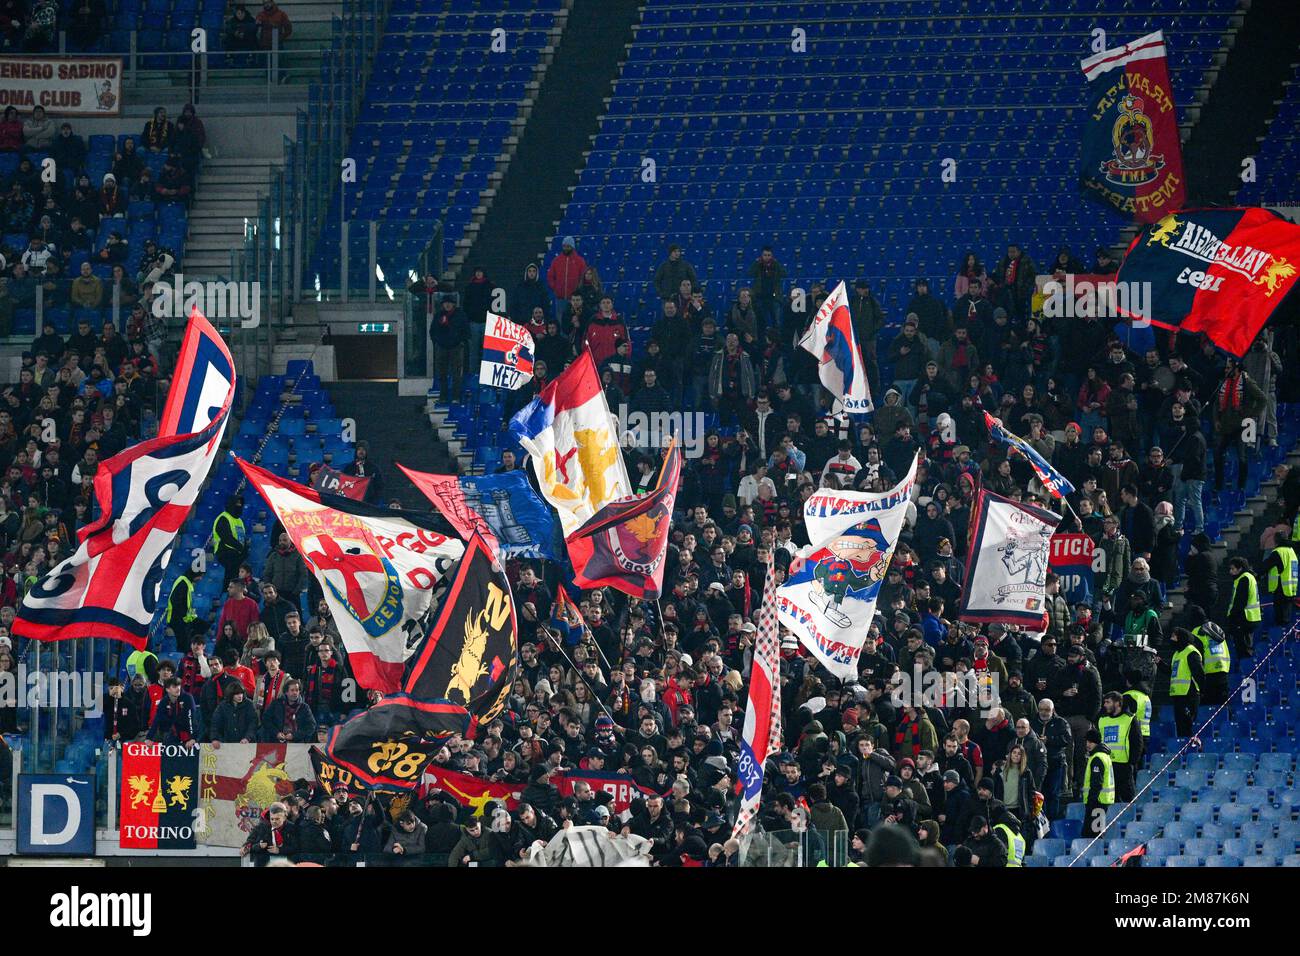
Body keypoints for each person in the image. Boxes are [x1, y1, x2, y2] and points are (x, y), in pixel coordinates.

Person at [1096, 691, 1142, 802]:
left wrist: (1132, 762)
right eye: (1104, 702)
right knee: (1111, 797)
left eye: (1108, 702)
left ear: (1117, 703)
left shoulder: (1130, 719)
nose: (1104, 705)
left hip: (1124, 765)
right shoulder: (1102, 720)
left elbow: (1137, 742)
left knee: (1128, 798)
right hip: (1107, 764)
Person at [1167, 627, 1204, 739]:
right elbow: (1171, 671)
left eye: (1174, 636)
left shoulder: (1191, 652)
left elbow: (1199, 673)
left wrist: (1202, 691)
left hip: (1189, 694)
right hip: (1178, 695)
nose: (1171, 639)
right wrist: (1159, 664)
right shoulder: (1177, 654)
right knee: (1180, 728)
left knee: (1188, 726)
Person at [1079, 728, 1114, 838]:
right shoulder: (1104, 756)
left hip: (1097, 802)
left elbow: (1096, 783)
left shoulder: (1097, 758)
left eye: (1091, 742)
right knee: (1095, 833)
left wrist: (1091, 801)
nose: (1088, 744)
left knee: (1093, 835)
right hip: (1101, 801)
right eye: (1087, 741)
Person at [1225, 556, 1262, 658]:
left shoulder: (1244, 579)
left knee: (1243, 650)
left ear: (1240, 568)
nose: (1230, 572)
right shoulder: (1249, 577)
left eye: (1233, 569)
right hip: (1251, 617)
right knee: (1246, 647)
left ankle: (1246, 671)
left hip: (1244, 618)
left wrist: (1232, 617)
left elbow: (1240, 602)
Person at [1261, 532, 1298, 628]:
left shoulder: (1278, 552)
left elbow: (1266, 566)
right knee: (1287, 619)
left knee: (1280, 619)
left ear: (1275, 540)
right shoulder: (1292, 551)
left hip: (1280, 588)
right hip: (1291, 589)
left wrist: (1256, 574)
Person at [212, 495, 247, 587]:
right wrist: (241, 548)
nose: (239, 506)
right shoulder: (223, 518)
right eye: (237, 503)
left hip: (237, 553)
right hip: (224, 552)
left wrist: (245, 549)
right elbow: (226, 537)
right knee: (231, 576)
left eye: (240, 504)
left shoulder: (239, 521)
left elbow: (243, 537)